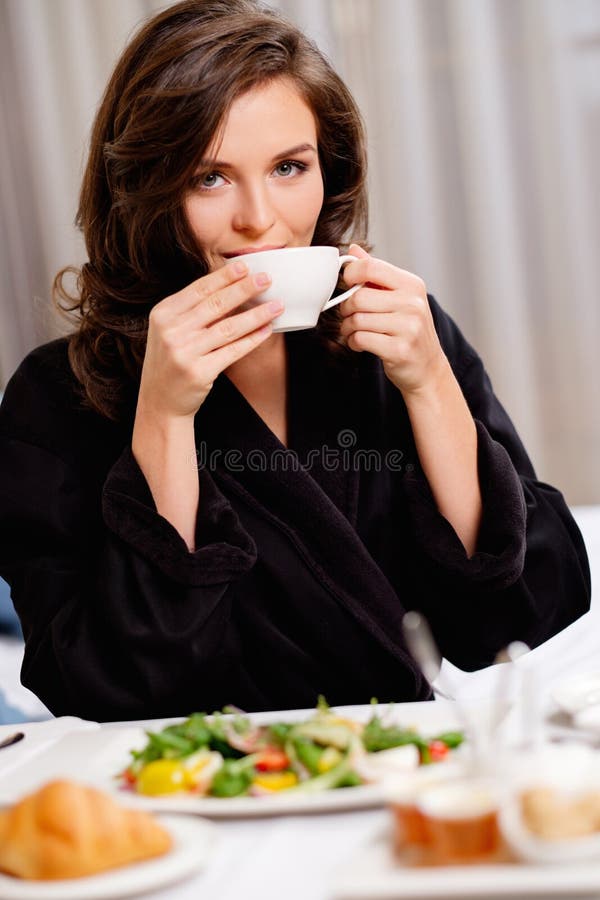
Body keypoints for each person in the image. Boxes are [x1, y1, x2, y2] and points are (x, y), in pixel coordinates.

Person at [0, 0, 590, 722]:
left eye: (288, 166)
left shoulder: (395, 337)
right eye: (208, 177)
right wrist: (163, 415)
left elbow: (522, 616)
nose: (260, 218)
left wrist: (431, 382)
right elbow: (105, 688)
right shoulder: (54, 394)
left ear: (327, 169)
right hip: (192, 805)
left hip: (392, 772)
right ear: (144, 190)